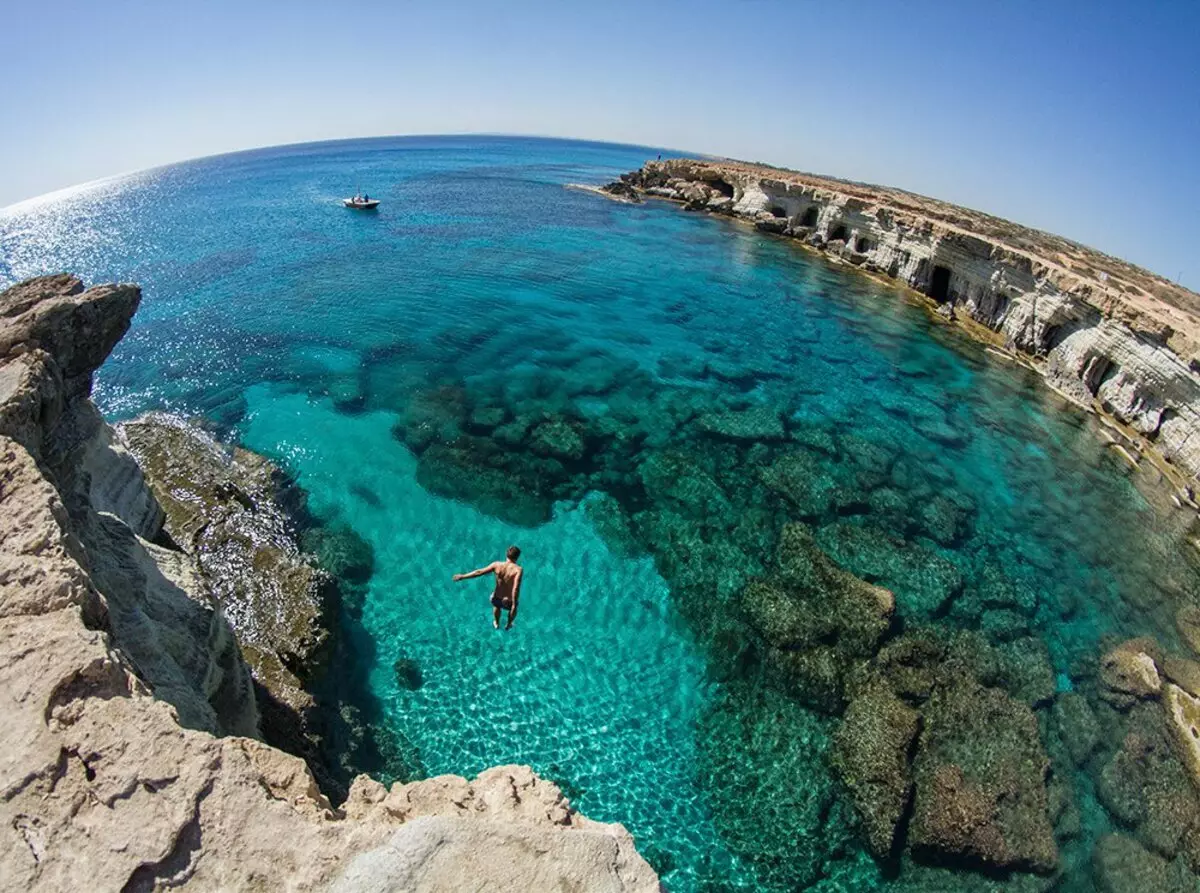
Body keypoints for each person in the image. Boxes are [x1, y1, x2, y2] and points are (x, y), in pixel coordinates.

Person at [452, 546, 523, 630]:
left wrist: (463, 576)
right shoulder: (518, 570)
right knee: (512, 609)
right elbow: (516, 588)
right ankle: (508, 625)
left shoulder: (496, 565)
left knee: (497, 606)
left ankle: (496, 623)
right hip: (509, 600)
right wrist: (514, 603)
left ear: (506, 554)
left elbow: (479, 572)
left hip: (497, 596)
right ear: (517, 557)